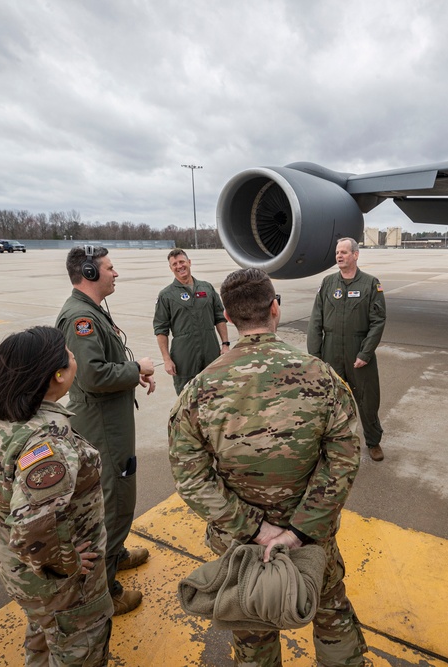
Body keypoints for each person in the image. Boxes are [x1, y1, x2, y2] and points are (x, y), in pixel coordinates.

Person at [169, 268, 367, 667]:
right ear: (275, 309)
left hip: (243, 549)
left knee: (253, 632)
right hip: (313, 542)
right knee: (331, 616)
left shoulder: (200, 389)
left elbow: (191, 477)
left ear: (227, 317)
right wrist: (299, 530)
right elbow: (344, 458)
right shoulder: (322, 377)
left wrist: (254, 529)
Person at [0, 326, 113, 666]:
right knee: (78, 647)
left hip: (19, 570)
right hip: (63, 585)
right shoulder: (49, 443)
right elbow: (34, 527)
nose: (74, 357)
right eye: (70, 354)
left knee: (43, 633)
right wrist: (66, 563)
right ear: (57, 376)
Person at [56, 246, 156, 616]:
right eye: (111, 269)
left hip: (110, 421)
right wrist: (137, 368)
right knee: (113, 502)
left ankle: (115, 554)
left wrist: (134, 373)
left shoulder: (92, 312)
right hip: (102, 426)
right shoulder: (80, 318)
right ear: (89, 273)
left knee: (117, 492)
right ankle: (105, 589)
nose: (116, 274)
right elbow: (94, 375)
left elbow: (100, 365)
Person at [307, 237, 387, 461]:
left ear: (356, 255)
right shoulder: (328, 283)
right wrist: (315, 355)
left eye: (344, 252)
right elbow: (315, 320)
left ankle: (373, 442)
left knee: (368, 400)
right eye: (337, 252)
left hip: (358, 350)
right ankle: (334, 444)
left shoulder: (371, 284)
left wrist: (365, 353)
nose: (339, 256)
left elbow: (378, 321)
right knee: (331, 401)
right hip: (331, 350)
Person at [153, 248, 229, 393]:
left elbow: (220, 317)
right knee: (186, 399)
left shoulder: (206, 288)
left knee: (215, 393)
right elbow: (161, 329)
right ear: (171, 268)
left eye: (182, 262)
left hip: (211, 352)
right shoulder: (166, 295)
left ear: (189, 262)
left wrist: (225, 344)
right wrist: (166, 359)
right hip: (184, 357)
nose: (179, 266)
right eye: (174, 264)